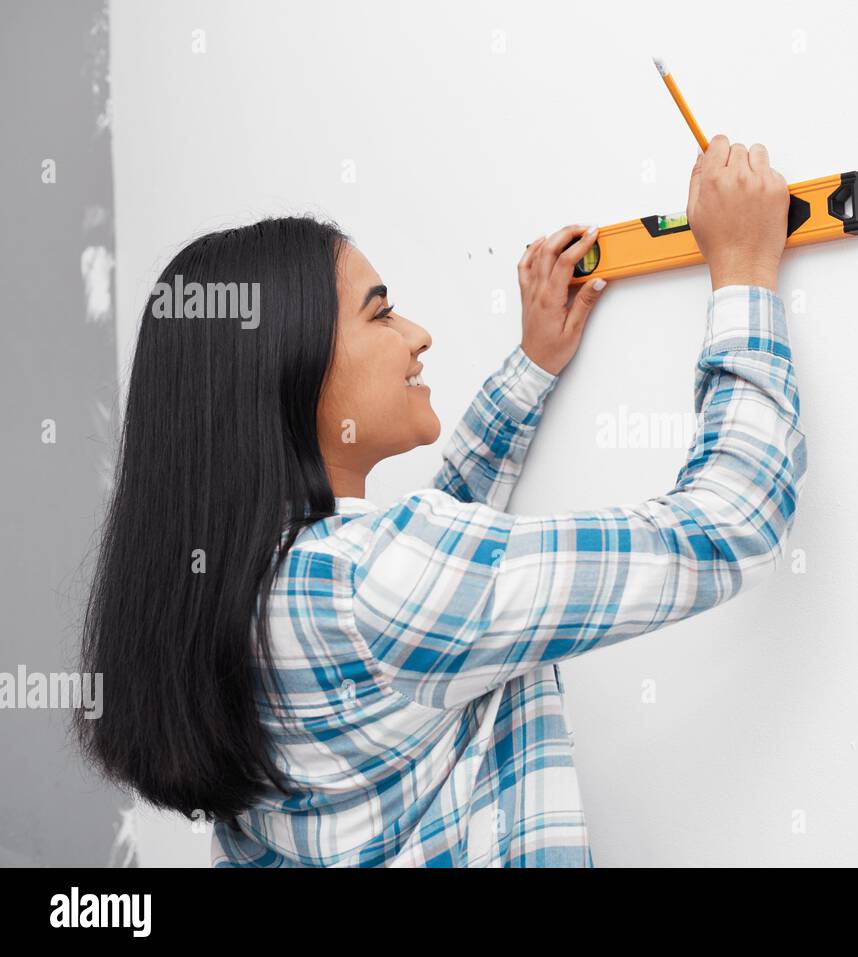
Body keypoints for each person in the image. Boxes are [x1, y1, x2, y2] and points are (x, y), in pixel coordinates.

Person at [79, 133, 806, 866]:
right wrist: (744, 272)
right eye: (381, 313)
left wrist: (532, 366)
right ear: (288, 373)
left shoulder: (234, 589)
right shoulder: (382, 582)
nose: (417, 335)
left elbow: (431, 589)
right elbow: (730, 524)